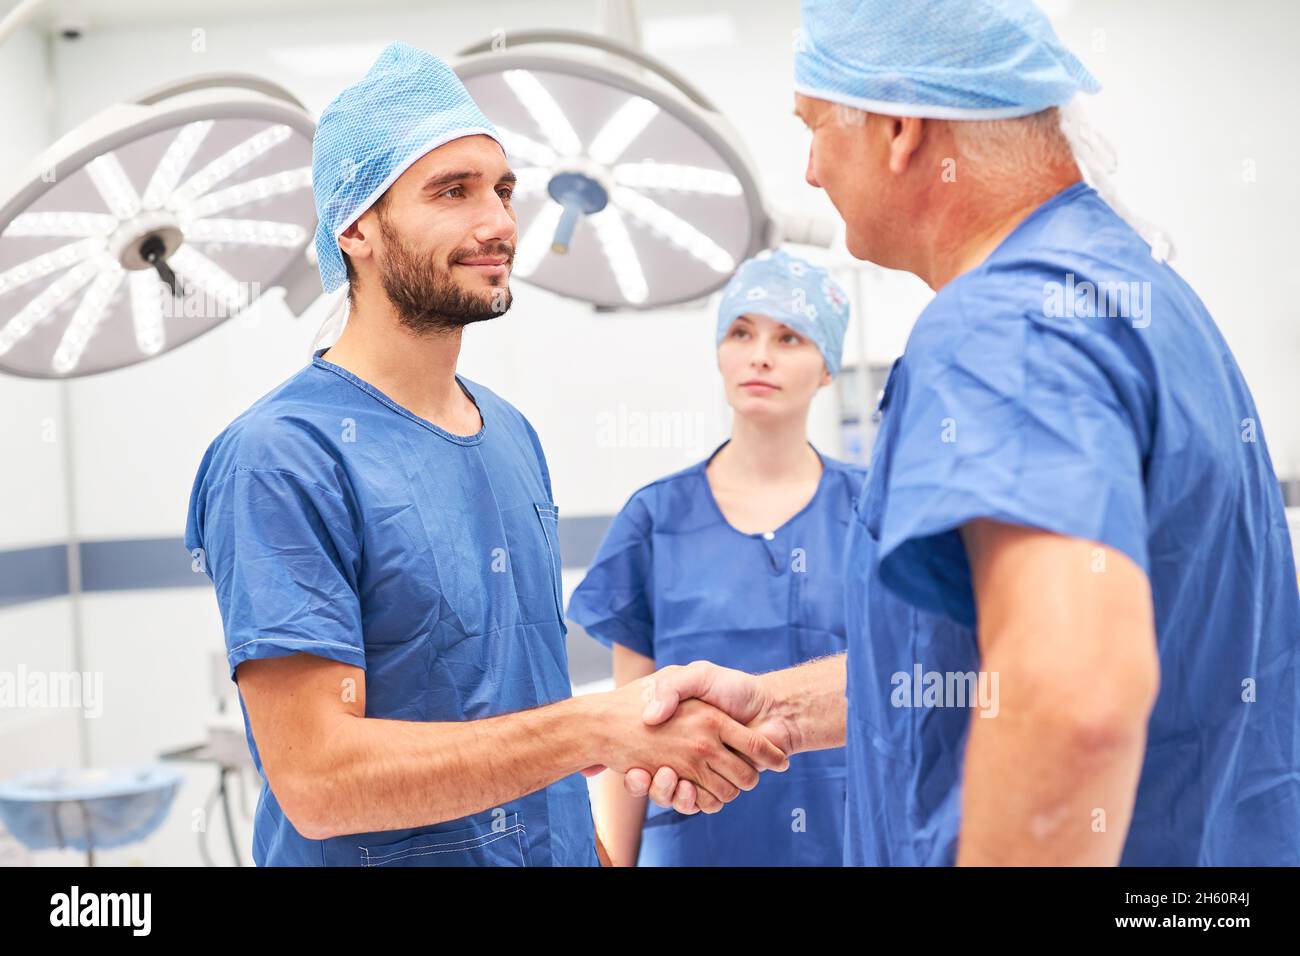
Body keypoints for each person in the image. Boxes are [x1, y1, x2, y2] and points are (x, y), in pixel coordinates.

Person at [622, 0, 1300, 866]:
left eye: (816, 128)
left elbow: (1069, 700)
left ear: (900, 129)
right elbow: (981, 661)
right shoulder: (1137, 295)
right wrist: (779, 709)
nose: (811, 171)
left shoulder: (1001, 328)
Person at [183, 42, 787, 868]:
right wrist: (596, 728)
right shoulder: (283, 458)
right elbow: (319, 785)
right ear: (355, 225)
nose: (500, 221)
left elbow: (521, 698)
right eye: (452, 191)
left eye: (502, 190)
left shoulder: (508, 435)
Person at [568, 250, 860, 866]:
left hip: (853, 843)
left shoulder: (876, 511)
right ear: (719, 352)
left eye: (789, 337)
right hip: (695, 843)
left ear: (828, 367)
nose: (760, 354)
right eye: (741, 332)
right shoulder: (655, 518)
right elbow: (631, 730)